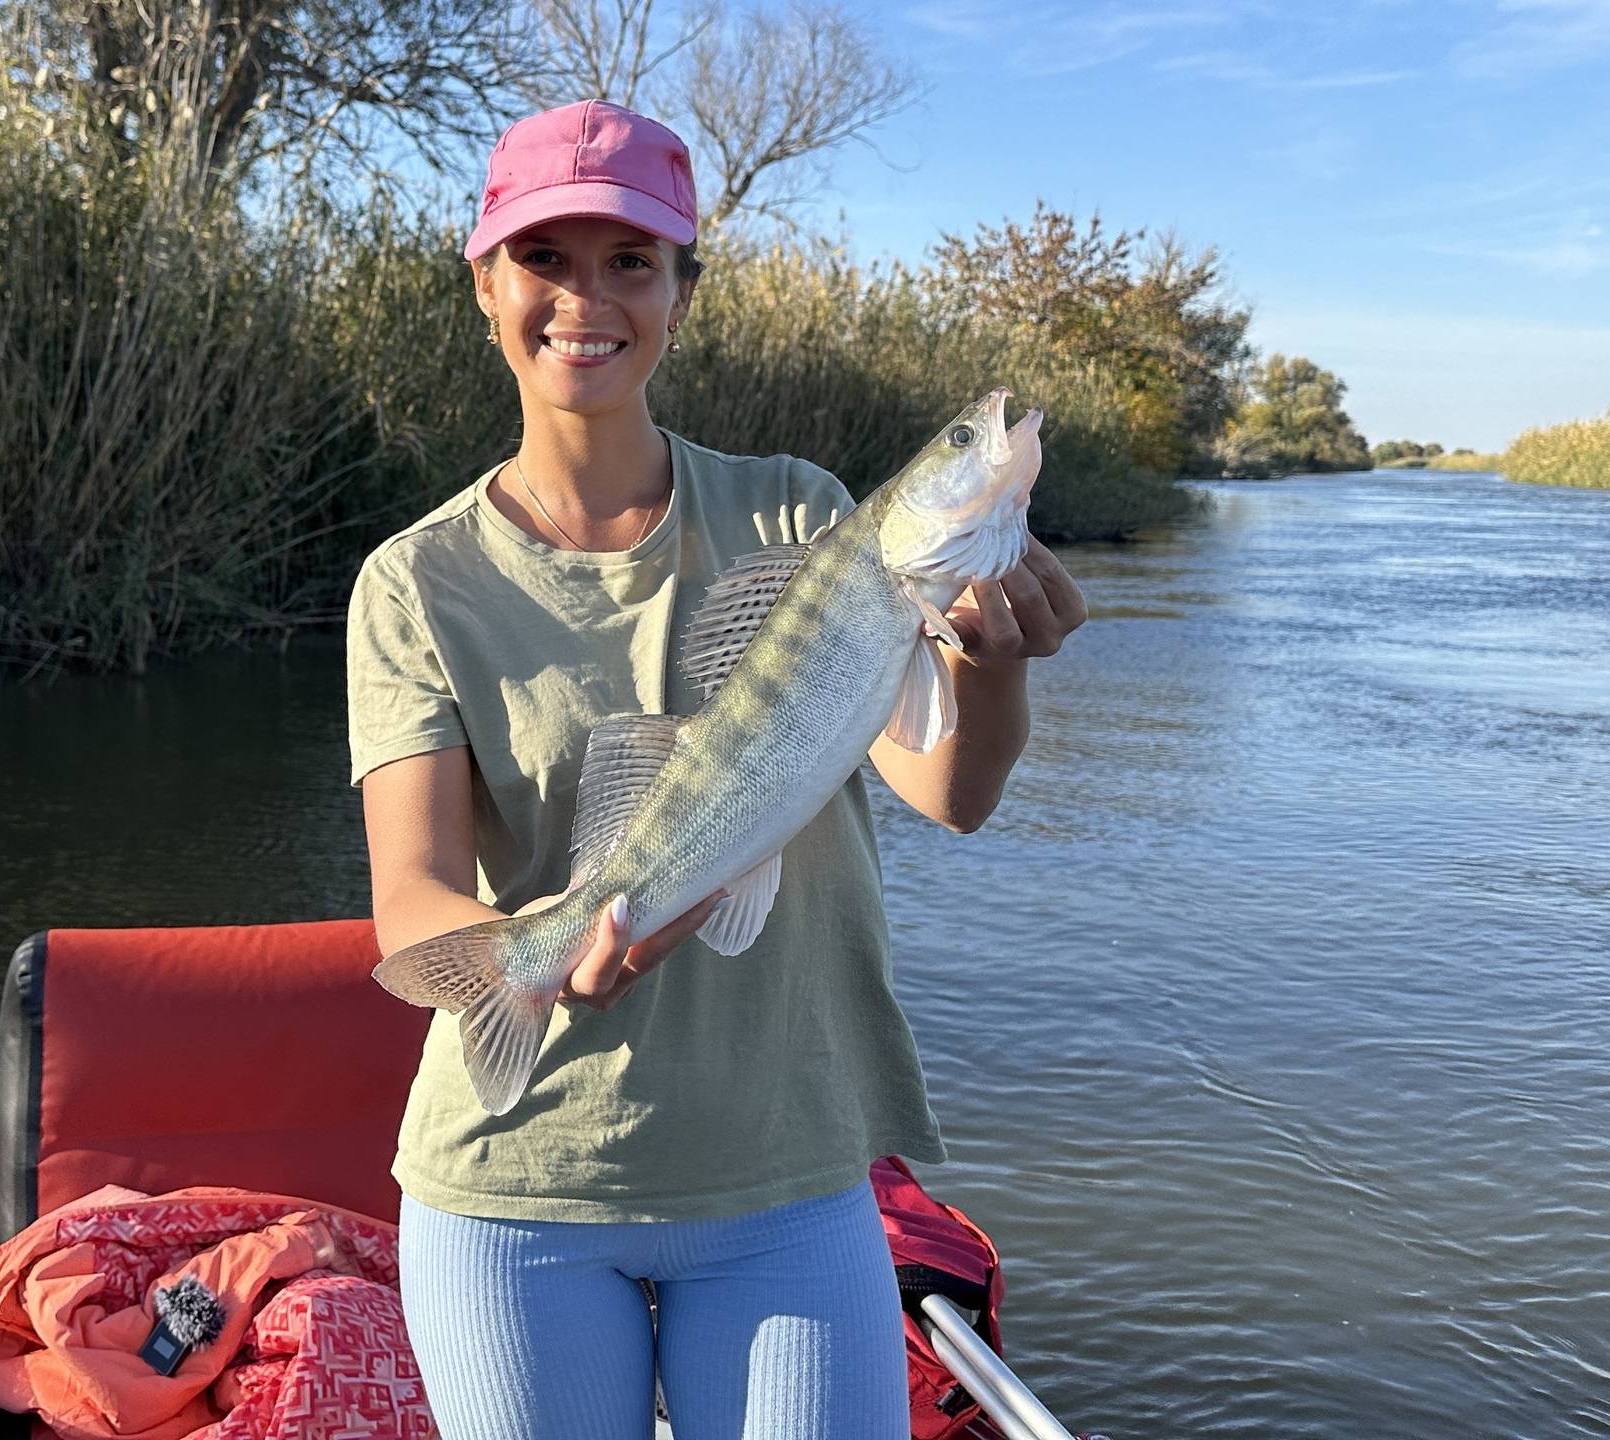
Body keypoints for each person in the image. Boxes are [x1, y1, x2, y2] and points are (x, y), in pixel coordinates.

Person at [344, 100, 1087, 1440]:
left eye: (631, 258)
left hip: (786, 1180)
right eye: (544, 257)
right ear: (485, 283)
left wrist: (993, 665)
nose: (586, 296)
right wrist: (532, 958)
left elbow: (952, 794)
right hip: (515, 1195)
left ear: (684, 291)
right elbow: (412, 898)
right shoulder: (413, 582)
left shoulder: (802, 515)